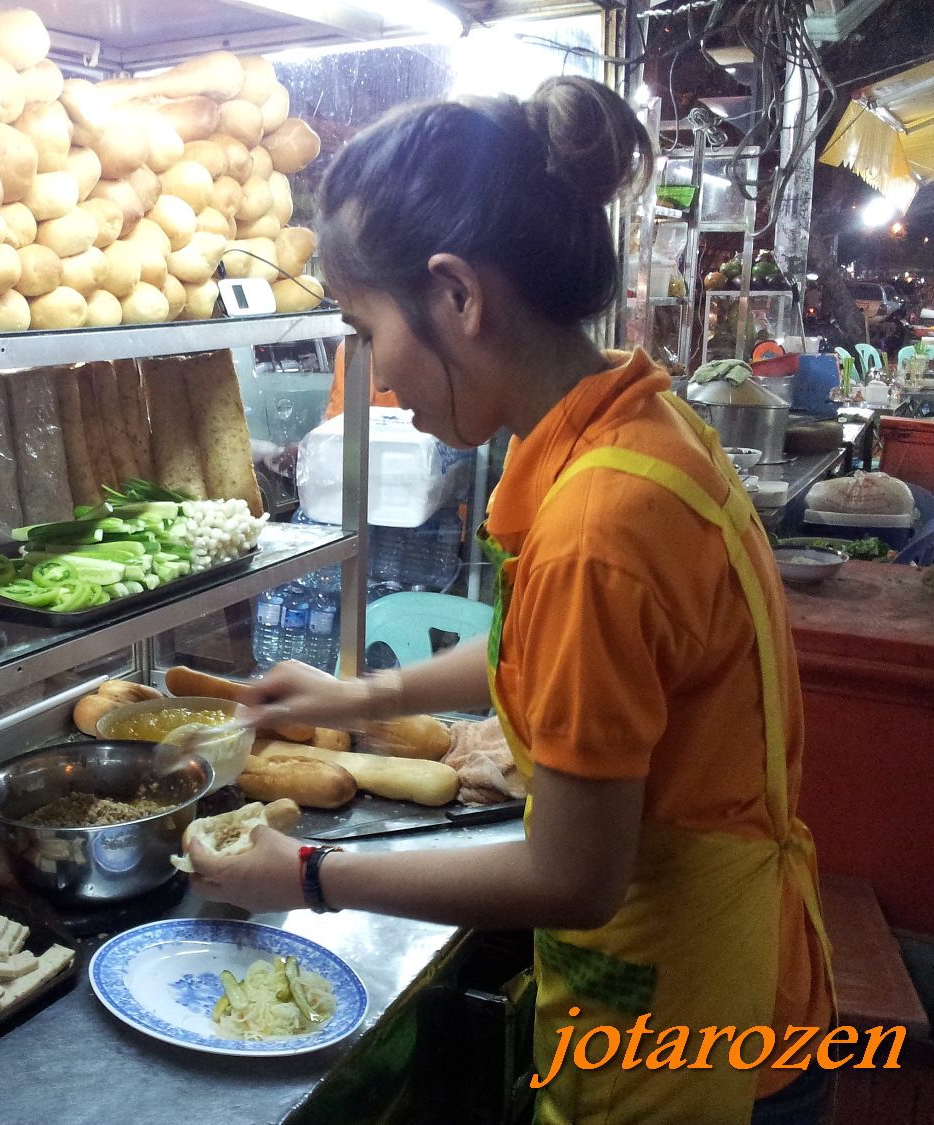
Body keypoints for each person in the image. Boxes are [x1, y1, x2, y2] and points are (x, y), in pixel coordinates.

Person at [186, 77, 834, 1125]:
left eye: (365, 326)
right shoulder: (638, 428)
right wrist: (350, 698)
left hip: (702, 1037)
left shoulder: (600, 526)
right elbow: (552, 654)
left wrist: (307, 876)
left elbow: (570, 875)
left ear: (458, 295)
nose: (379, 376)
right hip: (735, 986)